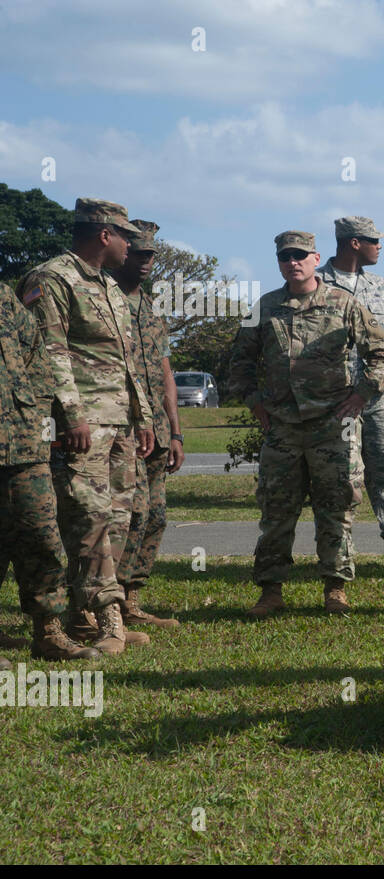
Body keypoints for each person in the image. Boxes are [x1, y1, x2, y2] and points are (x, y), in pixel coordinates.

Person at [229, 231, 384, 616]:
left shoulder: (344, 303)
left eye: (300, 255)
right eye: (285, 256)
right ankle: (271, 590)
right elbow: (239, 361)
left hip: (332, 426)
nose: (293, 262)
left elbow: (382, 354)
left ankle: (335, 587)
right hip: (282, 427)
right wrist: (254, 402)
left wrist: (361, 395)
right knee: (276, 510)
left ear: (316, 257)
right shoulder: (264, 307)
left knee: (336, 508)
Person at [18, 198, 154, 655]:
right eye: (125, 236)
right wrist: (70, 414)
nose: (130, 246)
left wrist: (144, 419)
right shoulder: (51, 278)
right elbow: (48, 352)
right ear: (104, 235)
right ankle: (108, 620)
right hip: (83, 424)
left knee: (117, 517)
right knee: (88, 518)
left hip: (120, 423)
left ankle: (86, 613)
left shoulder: (111, 288)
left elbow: (129, 362)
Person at [318, 216, 384, 571]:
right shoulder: (316, 285)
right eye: (373, 240)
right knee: (338, 475)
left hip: (379, 396)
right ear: (354, 243)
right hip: (334, 398)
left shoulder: (382, 287)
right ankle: (337, 552)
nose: (379, 246)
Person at [0, 283, 98, 662]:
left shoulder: (6, 298)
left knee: (42, 536)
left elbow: (37, 358)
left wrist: (37, 414)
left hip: (23, 443)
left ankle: (49, 632)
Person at [113, 220, 185, 631]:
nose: (144, 262)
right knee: (124, 516)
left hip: (156, 431)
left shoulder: (152, 310)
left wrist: (175, 432)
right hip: (119, 428)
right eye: (138, 253)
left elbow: (165, 374)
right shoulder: (104, 301)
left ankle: (131, 598)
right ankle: (100, 604)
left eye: (150, 255)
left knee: (154, 515)